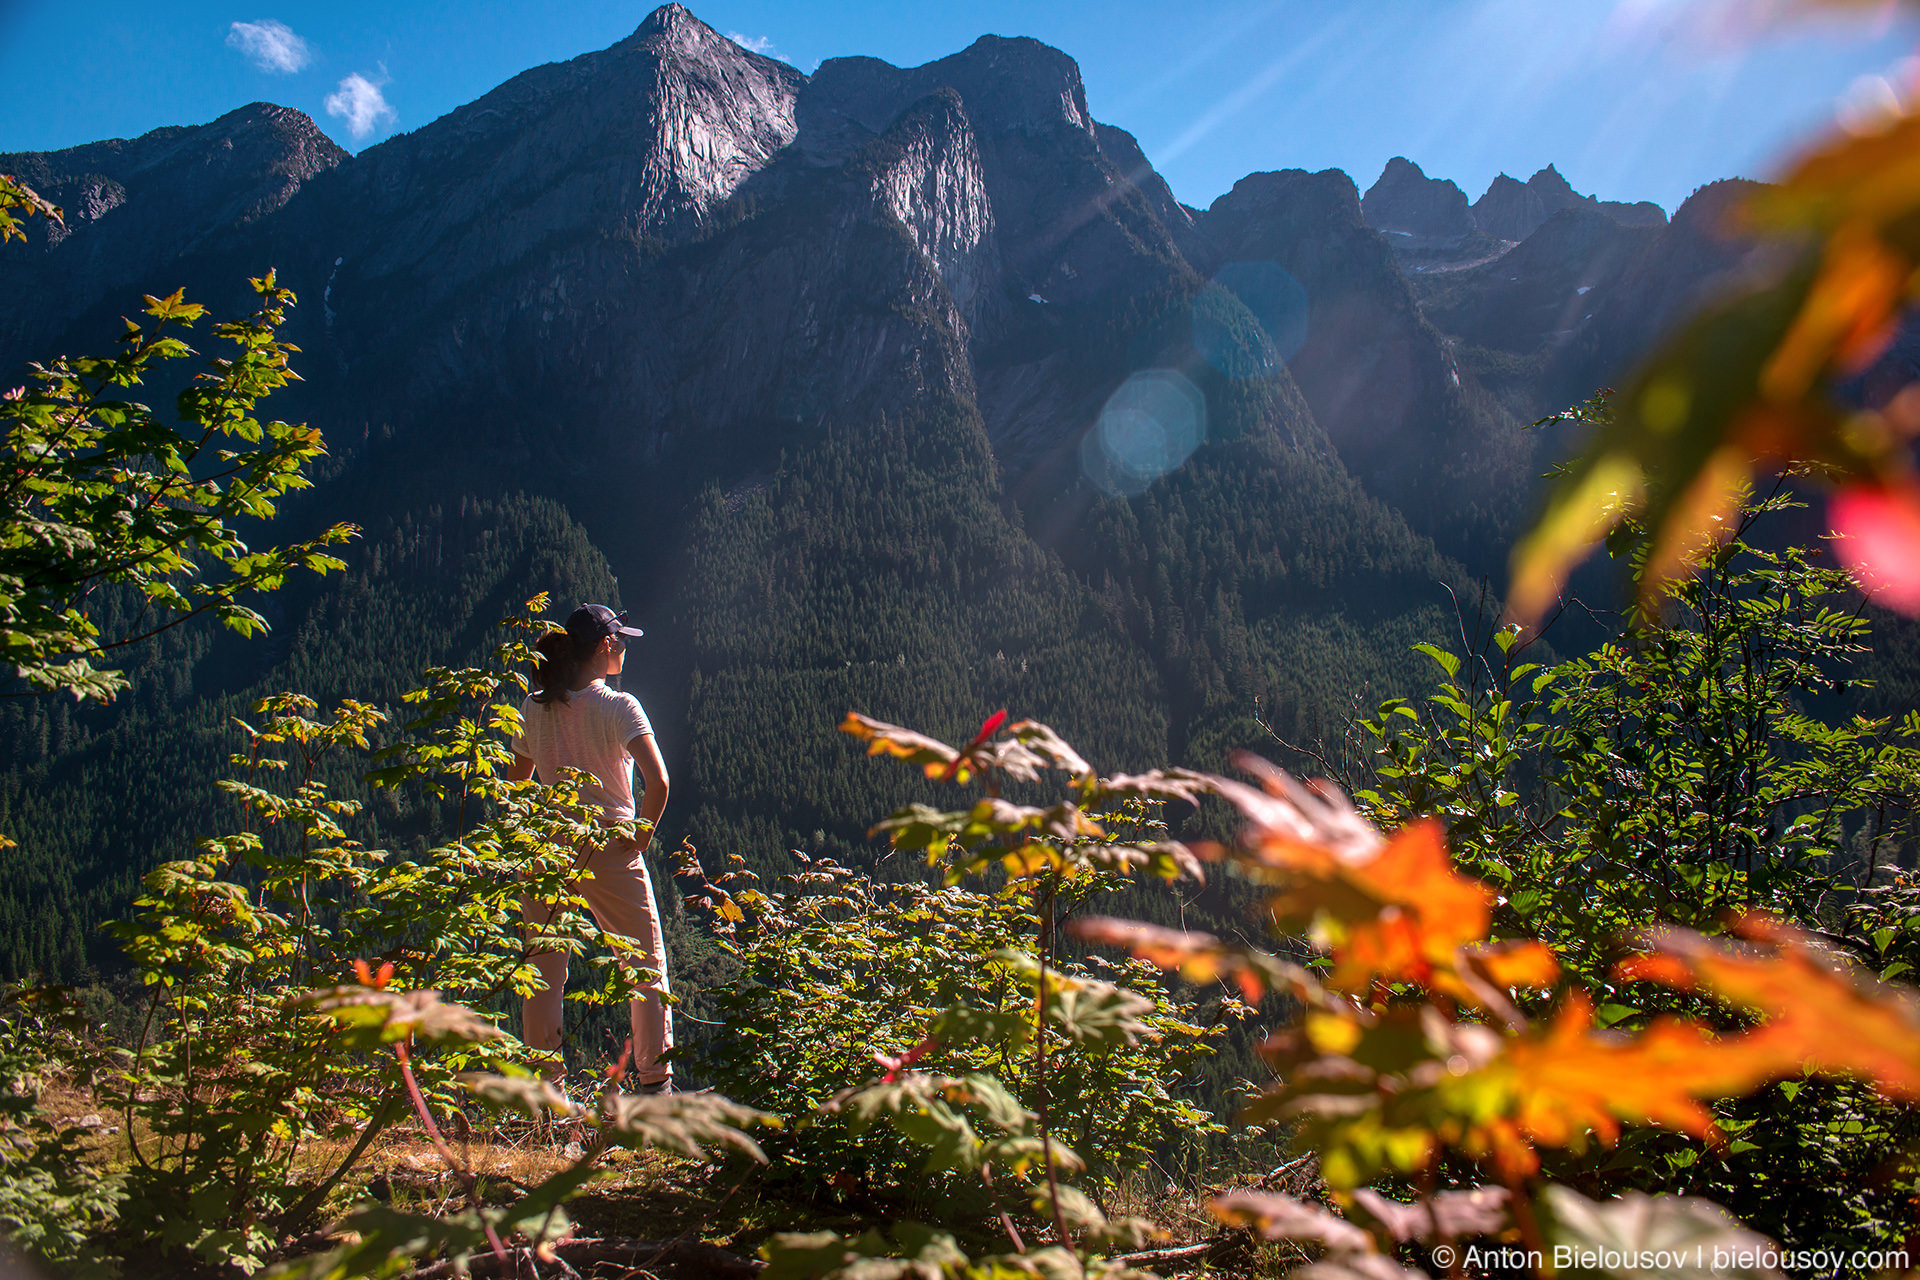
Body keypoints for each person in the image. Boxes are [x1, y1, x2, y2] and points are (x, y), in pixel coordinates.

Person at [508, 602, 673, 1092]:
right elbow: (659, 783)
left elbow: (515, 786)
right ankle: (654, 1086)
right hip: (608, 845)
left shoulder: (534, 707)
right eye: (620, 639)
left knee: (541, 969)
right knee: (644, 966)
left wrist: (530, 839)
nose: (624, 648)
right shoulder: (620, 707)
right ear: (605, 645)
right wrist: (639, 837)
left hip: (547, 847)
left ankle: (547, 1095)